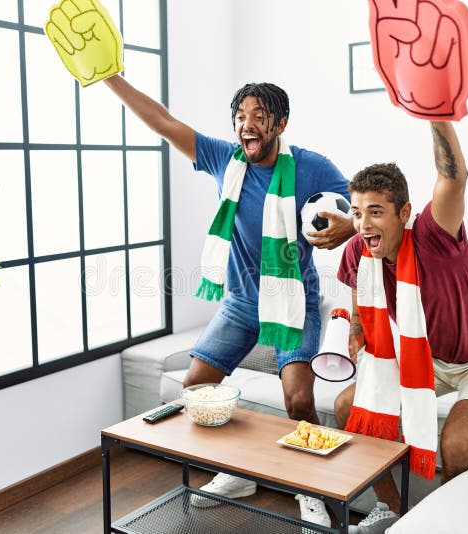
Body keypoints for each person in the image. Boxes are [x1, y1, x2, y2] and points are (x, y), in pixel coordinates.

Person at [102, 74, 355, 526]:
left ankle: (309, 491)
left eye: (258, 116)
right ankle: (233, 475)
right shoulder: (225, 159)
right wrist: (109, 79)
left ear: (280, 123)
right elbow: (162, 121)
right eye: (240, 117)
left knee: (298, 400)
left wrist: (349, 227)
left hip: (292, 301)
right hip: (241, 302)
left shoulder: (311, 167)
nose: (247, 125)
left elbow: (361, 205)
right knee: (195, 389)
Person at [335, 122, 468, 534]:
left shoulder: (433, 236)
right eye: (356, 212)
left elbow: (453, 177)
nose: (363, 224)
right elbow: (356, 286)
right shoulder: (359, 249)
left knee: (457, 443)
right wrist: (356, 330)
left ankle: (451, 525)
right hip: (426, 356)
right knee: (346, 406)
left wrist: (436, 113)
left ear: (404, 213)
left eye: (375, 212)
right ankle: (397, 513)